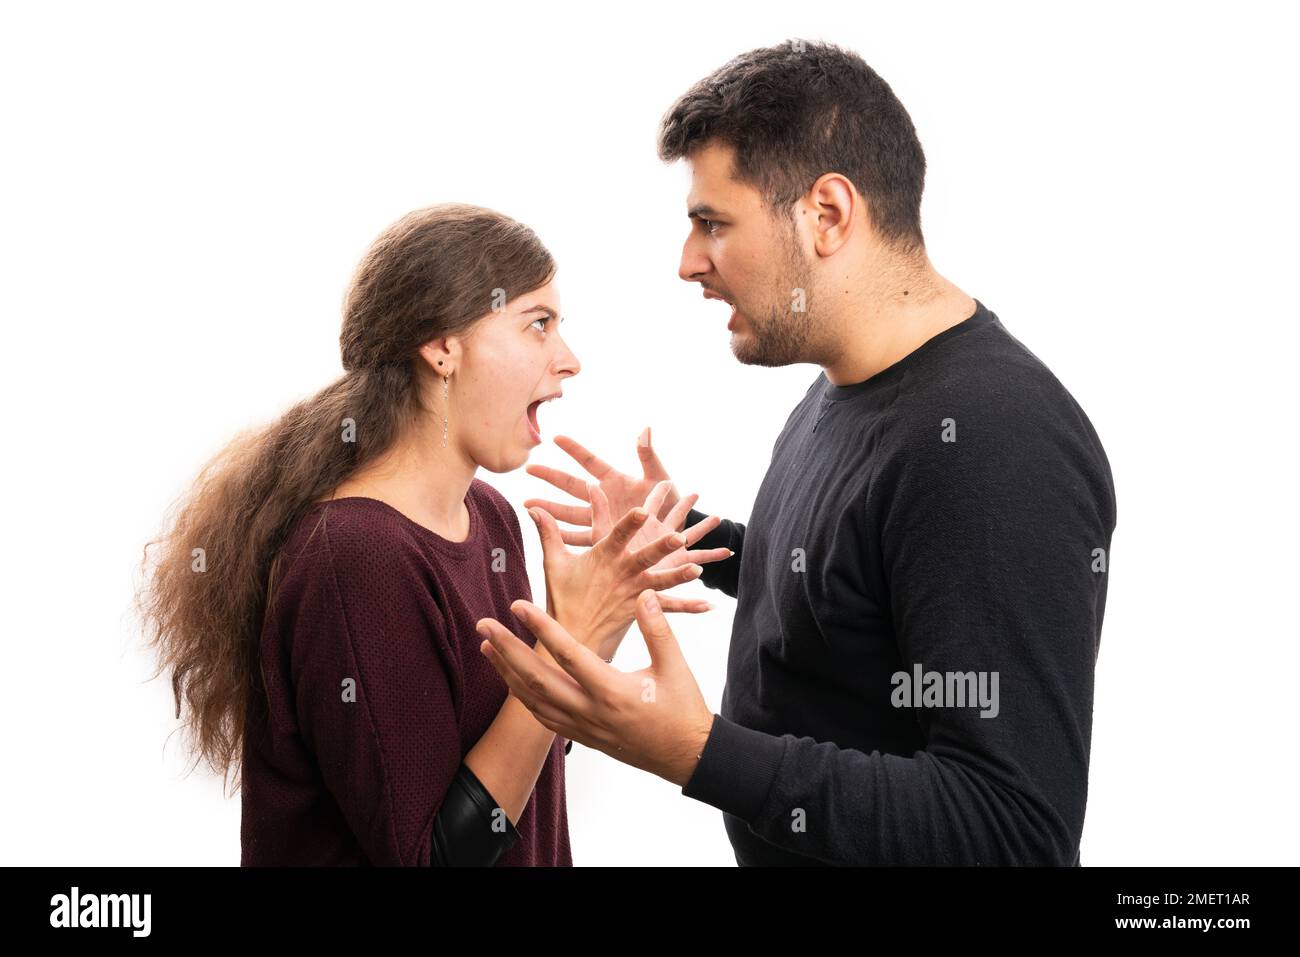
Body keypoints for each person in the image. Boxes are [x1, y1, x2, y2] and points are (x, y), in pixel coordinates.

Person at [480, 40, 1118, 866]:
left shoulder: (994, 443)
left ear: (826, 213)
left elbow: (1011, 829)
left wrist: (696, 751)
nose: (687, 263)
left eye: (713, 223)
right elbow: (865, 599)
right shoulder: (842, 387)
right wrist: (699, 539)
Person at [135, 202, 730, 866]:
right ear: (442, 347)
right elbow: (430, 857)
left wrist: (597, 616)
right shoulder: (356, 557)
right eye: (538, 325)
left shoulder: (492, 517)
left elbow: (518, 756)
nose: (569, 360)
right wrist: (569, 648)